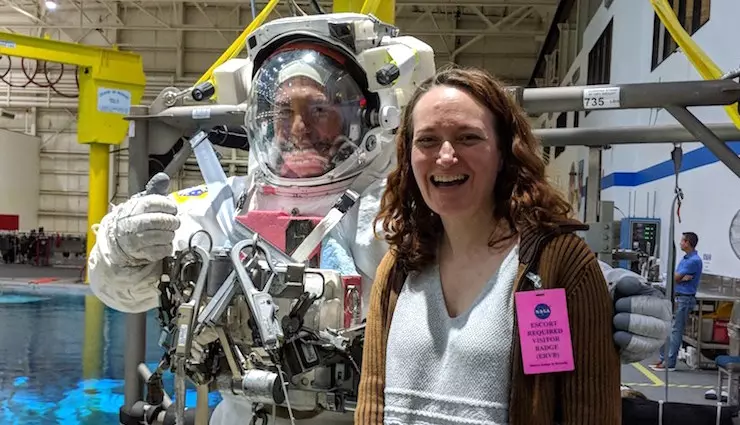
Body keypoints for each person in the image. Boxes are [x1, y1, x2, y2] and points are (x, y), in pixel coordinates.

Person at [87, 14, 670, 425]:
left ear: (364, 114)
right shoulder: (220, 206)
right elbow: (121, 290)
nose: (299, 128)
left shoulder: (392, 211)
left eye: (319, 109)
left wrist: (603, 296)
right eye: (282, 111)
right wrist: (122, 243)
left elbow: (493, 259)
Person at [354, 67, 621, 424]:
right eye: (428, 140)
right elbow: (372, 402)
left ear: (504, 153)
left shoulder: (551, 267)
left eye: (468, 138)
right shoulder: (401, 265)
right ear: (409, 155)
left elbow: (589, 413)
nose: (446, 157)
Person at [651, 231, 703, 371]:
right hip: (678, 297)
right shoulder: (686, 259)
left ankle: (669, 363)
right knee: (668, 328)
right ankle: (664, 359)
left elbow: (674, 278)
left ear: (688, 243)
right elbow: (676, 277)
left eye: (682, 241)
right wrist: (678, 277)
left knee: (675, 331)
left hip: (684, 299)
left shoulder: (693, 261)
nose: (680, 243)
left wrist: (677, 277)